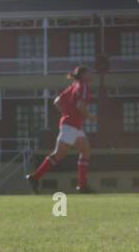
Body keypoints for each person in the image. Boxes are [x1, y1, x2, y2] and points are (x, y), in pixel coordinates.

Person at [26, 66, 97, 194]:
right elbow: (80, 106)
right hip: (71, 126)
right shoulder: (84, 86)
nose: (92, 73)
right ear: (83, 75)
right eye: (90, 72)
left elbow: (57, 101)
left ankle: (82, 185)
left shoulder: (74, 85)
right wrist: (90, 117)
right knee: (59, 154)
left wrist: (67, 112)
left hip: (73, 126)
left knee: (85, 150)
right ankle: (34, 177)